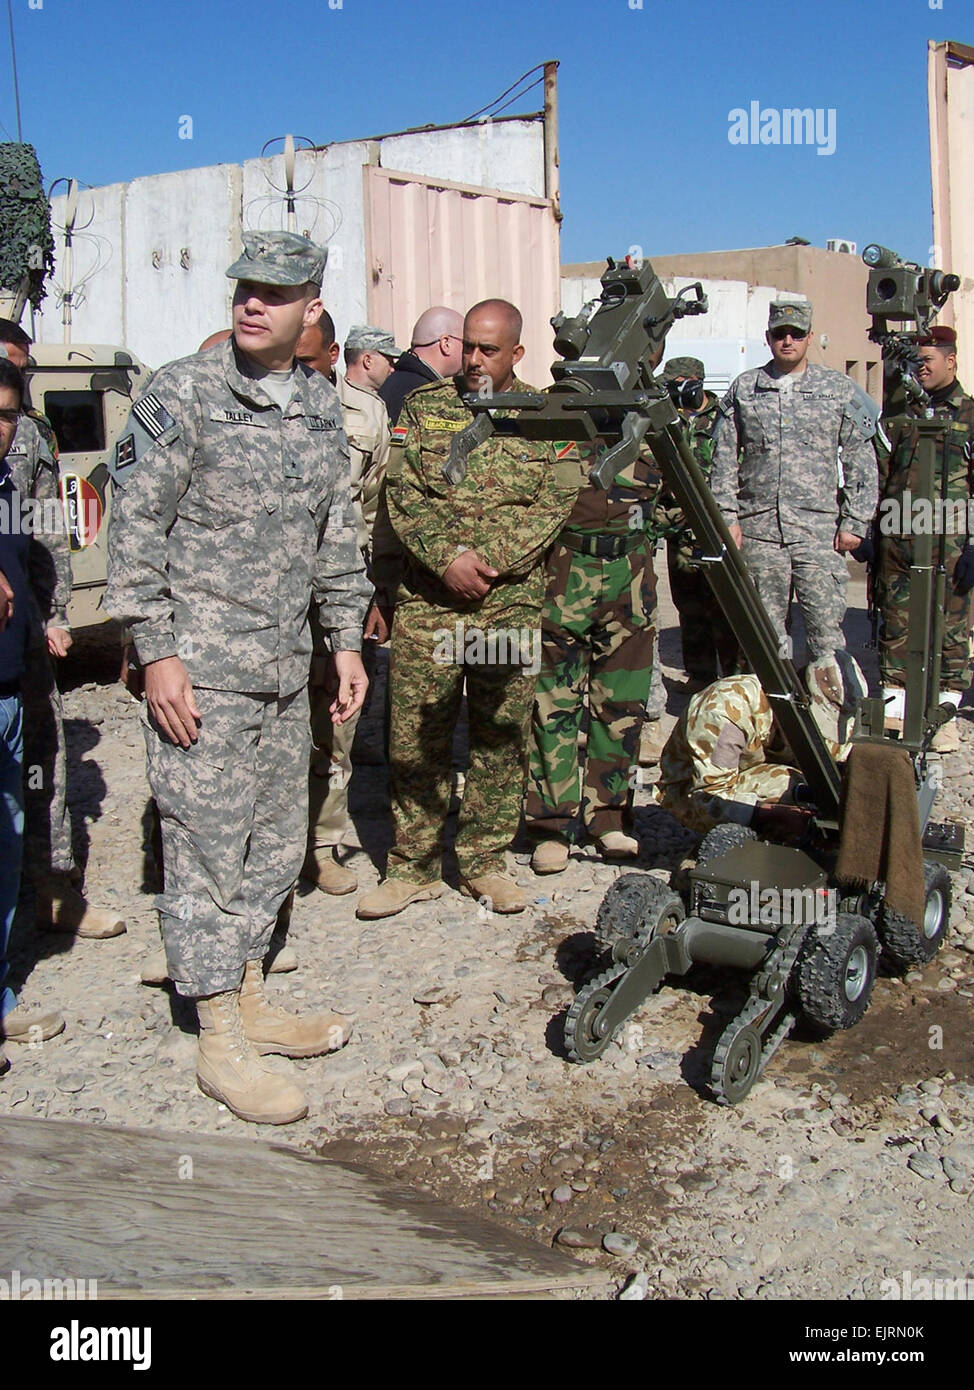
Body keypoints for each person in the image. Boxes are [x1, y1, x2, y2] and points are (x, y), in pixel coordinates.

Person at [106, 231, 371, 1125]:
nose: (252, 303)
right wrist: (158, 654)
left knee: (270, 845)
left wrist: (343, 641)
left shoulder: (322, 406)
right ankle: (217, 1031)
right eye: (244, 289)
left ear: (311, 308)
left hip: (284, 672)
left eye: (275, 291)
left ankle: (251, 993)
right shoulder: (182, 393)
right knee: (205, 849)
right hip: (203, 678)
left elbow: (338, 530)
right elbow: (135, 534)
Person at [357, 298, 586, 918]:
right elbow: (400, 494)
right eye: (467, 346)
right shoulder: (424, 409)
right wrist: (447, 558)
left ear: (517, 352)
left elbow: (554, 504)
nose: (475, 359)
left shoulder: (550, 416)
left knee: (497, 735)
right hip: (432, 604)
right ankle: (413, 866)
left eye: (490, 348)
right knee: (417, 735)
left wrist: (488, 567)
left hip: (505, 606)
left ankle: (485, 862)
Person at [0, 320, 125, 940]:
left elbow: (50, 530)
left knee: (43, 765)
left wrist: (54, 616)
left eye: (21, 370)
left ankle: (53, 891)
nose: (15, 380)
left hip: (21, 631)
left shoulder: (29, 437)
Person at [525, 378, 665, 875]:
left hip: (631, 578)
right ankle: (552, 824)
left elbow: (676, 500)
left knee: (621, 703)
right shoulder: (555, 417)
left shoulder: (654, 420)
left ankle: (607, 817)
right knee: (553, 702)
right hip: (565, 571)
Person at [710, 301, 877, 661]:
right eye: (779, 334)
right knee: (763, 639)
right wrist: (727, 517)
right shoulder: (746, 388)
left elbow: (860, 459)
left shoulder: (836, 388)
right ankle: (768, 714)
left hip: (817, 532)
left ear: (809, 337)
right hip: (759, 532)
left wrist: (856, 521)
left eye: (796, 334)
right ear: (767, 338)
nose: (788, 340)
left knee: (826, 638)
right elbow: (723, 459)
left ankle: (826, 714)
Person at [299, 324, 401, 895]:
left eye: (310, 361)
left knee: (339, 717)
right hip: (272, 595)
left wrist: (380, 591)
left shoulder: (364, 413)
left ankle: (324, 842)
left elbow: (382, 506)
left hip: (344, 587)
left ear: (335, 357)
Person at [0, 357, 65, 1067]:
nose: (2, 429)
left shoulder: (9, 484)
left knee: (8, 841)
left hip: (13, 687)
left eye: (9, 414)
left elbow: (47, 545)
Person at [874, 325, 974, 753]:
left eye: (927, 361)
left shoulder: (969, 414)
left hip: (951, 539)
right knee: (896, 619)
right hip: (900, 533)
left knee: (950, 624)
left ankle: (945, 712)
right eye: (915, 362)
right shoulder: (900, 412)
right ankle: (895, 708)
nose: (921, 369)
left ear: (950, 361)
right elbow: (881, 469)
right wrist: (868, 528)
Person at [654, 653, 866, 835]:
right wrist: (768, 814)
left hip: (746, 775)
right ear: (801, 700)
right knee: (791, 786)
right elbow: (710, 796)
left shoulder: (803, 709)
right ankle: (720, 855)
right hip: (693, 795)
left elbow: (841, 755)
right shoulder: (727, 713)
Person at [655, 355, 739, 688]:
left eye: (676, 386)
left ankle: (733, 681)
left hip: (714, 529)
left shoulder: (724, 420)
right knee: (689, 610)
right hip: (677, 530)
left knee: (724, 609)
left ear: (695, 382)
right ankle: (700, 677)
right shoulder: (666, 420)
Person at [378, 306, 464, 424]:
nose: (471, 354)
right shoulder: (425, 394)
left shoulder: (393, 382)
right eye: (466, 343)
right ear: (446, 344)